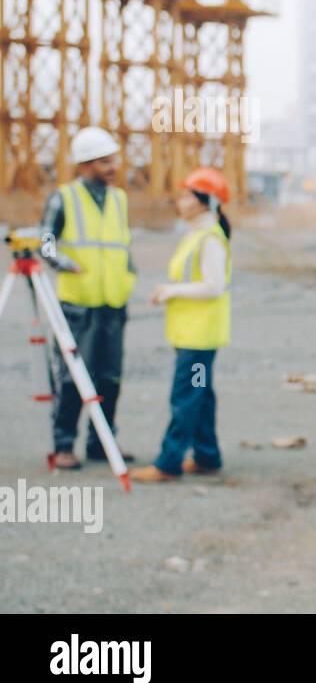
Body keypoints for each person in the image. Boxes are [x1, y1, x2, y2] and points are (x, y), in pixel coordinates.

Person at [40, 126, 138, 470]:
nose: (112, 166)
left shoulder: (119, 199)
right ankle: (64, 444)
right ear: (85, 164)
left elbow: (123, 245)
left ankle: (103, 442)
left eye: (113, 160)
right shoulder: (63, 197)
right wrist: (66, 265)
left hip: (113, 301)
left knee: (110, 376)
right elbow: (46, 242)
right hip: (77, 303)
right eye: (103, 161)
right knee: (71, 377)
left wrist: (130, 276)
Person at [130, 168, 233, 483]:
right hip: (193, 333)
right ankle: (207, 456)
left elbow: (214, 286)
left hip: (198, 336)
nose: (181, 200)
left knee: (186, 396)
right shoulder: (198, 233)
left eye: (188, 195)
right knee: (200, 393)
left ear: (204, 201)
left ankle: (168, 463)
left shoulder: (210, 237)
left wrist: (170, 291)